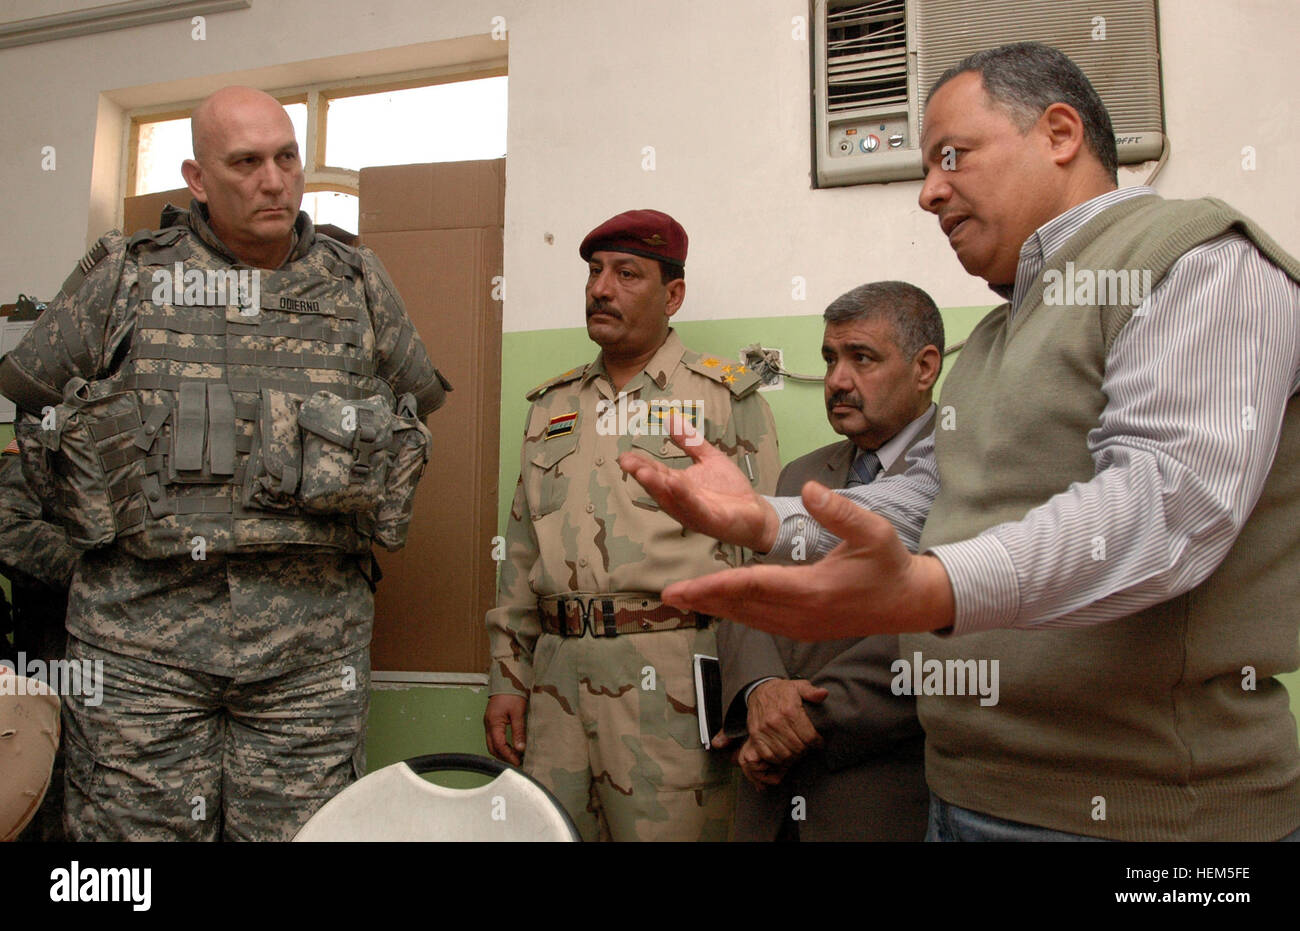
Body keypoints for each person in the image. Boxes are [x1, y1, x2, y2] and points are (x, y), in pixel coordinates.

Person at [620, 42, 1300, 841]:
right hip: (966, 798)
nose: (928, 193)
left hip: (1146, 820)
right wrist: (771, 522)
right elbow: (937, 500)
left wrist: (940, 588)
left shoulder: (1198, 261)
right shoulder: (995, 338)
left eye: (951, 156)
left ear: (1058, 133)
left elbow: (1168, 505)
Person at [0, 86, 450, 841]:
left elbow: (413, 410)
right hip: (140, 650)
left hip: (308, 656)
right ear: (198, 179)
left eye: (287, 157)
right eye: (246, 162)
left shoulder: (356, 283)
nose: (274, 180)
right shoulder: (123, 276)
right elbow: (33, 401)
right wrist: (85, 530)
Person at [483, 209, 780, 841]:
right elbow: (521, 552)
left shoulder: (723, 400)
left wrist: (756, 688)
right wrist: (506, 677)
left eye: (626, 273)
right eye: (594, 272)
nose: (600, 288)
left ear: (673, 294)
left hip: (670, 674)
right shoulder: (552, 406)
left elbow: (765, 556)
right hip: (558, 677)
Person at [716, 280, 939, 841]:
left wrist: (800, 723)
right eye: (829, 358)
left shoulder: (967, 473)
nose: (837, 379)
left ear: (925, 367)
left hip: (875, 794)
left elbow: (937, 630)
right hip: (769, 799)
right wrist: (760, 688)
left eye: (861, 358)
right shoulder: (801, 474)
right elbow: (745, 595)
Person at [0, 438, 78, 841]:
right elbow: (8, 531)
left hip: (151, 654)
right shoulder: (44, 441)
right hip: (59, 650)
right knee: (52, 778)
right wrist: (100, 575)